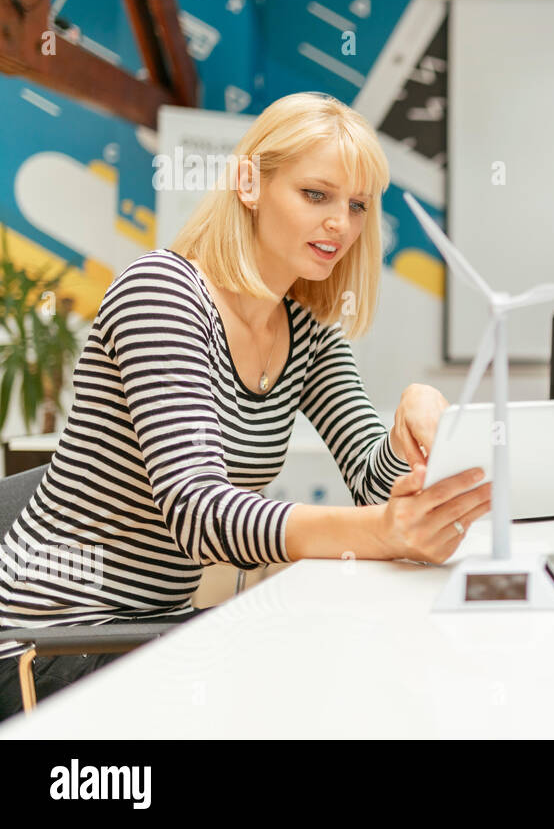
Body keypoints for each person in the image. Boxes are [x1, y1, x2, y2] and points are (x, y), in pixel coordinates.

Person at [0, 92, 490, 719]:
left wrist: (409, 422)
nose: (341, 223)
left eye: (358, 204)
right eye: (317, 195)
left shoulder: (306, 328)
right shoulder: (162, 293)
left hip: (147, 630)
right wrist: (383, 533)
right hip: (50, 642)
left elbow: (373, 483)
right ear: (249, 183)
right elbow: (199, 513)